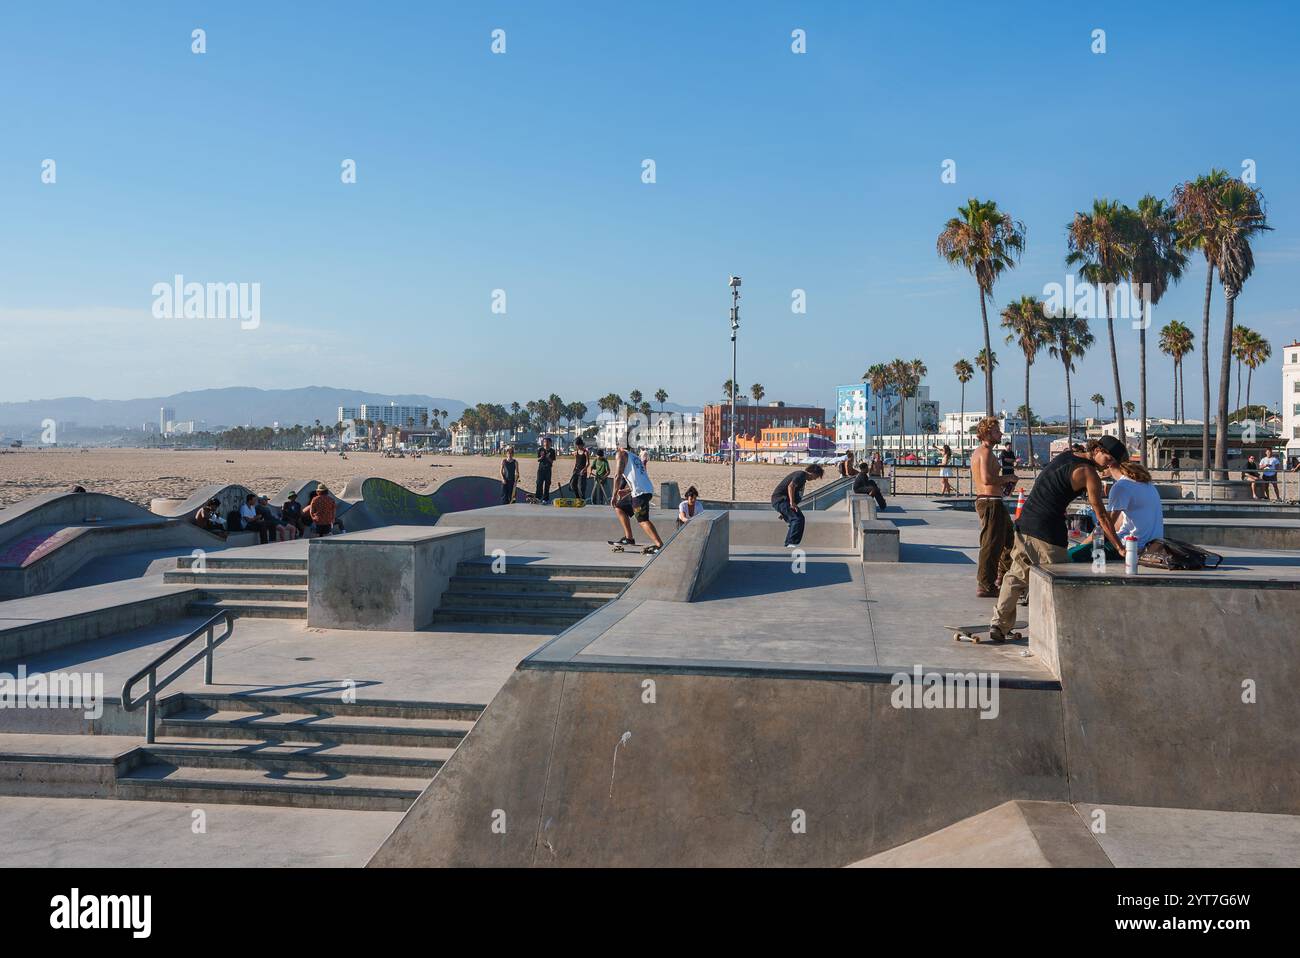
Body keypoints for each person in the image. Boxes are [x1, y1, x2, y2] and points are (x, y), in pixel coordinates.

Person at [989, 437, 1125, 642]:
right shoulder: (1089, 474)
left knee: (1015, 576)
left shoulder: (1067, 455)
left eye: (1115, 462)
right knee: (1058, 583)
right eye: (1109, 457)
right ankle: (1055, 631)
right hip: (1047, 533)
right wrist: (1118, 546)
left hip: (1024, 522)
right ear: (1097, 449)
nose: (1110, 463)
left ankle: (998, 625)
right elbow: (1103, 516)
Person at [971, 417, 1014, 598]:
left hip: (993, 500)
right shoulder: (986, 452)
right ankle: (986, 584)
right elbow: (987, 479)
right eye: (997, 431)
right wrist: (1008, 479)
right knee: (991, 544)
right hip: (990, 501)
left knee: (1010, 540)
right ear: (987, 433)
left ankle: (1000, 578)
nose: (1000, 434)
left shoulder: (982, 452)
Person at [1101, 458, 1164, 551]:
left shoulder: (1121, 486)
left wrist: (1083, 545)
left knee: (1078, 552)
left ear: (1108, 465)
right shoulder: (1147, 484)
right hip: (1155, 545)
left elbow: (1106, 526)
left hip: (1133, 546)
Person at [611, 442, 663, 552]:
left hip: (640, 493)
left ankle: (659, 545)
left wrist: (614, 495)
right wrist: (625, 491)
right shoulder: (635, 457)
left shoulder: (621, 454)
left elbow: (617, 475)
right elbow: (638, 478)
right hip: (643, 490)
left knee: (642, 519)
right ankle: (629, 538)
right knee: (620, 508)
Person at [770, 463, 825, 548]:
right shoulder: (801, 475)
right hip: (781, 499)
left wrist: (784, 511)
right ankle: (791, 543)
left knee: (795, 520)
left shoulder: (802, 478)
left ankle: (789, 543)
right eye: (816, 477)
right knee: (797, 519)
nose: (814, 479)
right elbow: (791, 486)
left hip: (782, 501)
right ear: (813, 472)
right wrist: (791, 503)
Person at [535, 437, 556, 503]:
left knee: (547, 484)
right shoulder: (540, 449)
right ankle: (538, 498)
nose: (546, 443)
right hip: (541, 469)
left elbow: (552, 461)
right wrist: (542, 457)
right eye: (544, 442)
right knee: (539, 483)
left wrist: (548, 457)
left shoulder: (552, 451)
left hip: (548, 470)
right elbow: (538, 459)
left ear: (550, 443)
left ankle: (545, 499)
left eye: (547, 442)